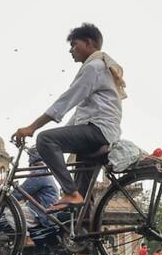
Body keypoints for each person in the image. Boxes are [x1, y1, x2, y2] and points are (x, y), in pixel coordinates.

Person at [13, 23, 125, 212]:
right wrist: (63, 133)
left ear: (88, 43)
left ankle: (70, 193)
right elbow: (78, 115)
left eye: (74, 45)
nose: (71, 50)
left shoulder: (94, 67)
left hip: (98, 131)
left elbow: (66, 101)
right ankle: (88, 235)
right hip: (98, 132)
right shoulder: (99, 67)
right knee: (80, 204)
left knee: (46, 139)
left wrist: (32, 128)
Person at [16, 146, 60, 244]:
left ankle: (26, 239)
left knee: (9, 213)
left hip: (42, 214)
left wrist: (1, 199)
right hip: (44, 211)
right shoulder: (44, 172)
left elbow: (20, 193)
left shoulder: (38, 173)